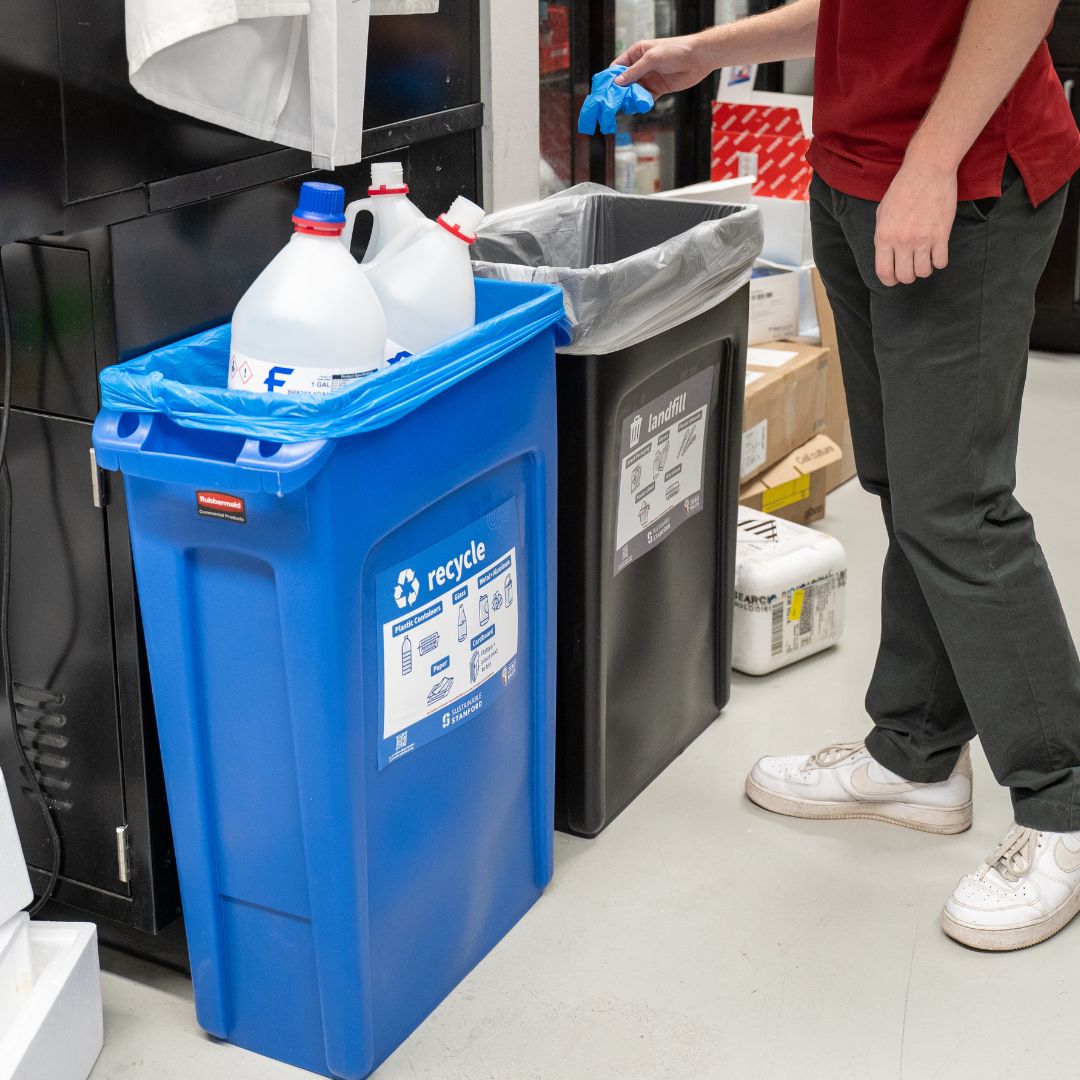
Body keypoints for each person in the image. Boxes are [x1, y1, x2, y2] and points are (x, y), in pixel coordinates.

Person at [615, 0, 1080, 952]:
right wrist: (707, 50)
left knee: (956, 505)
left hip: (958, 182)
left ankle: (1066, 805)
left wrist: (931, 163)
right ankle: (915, 755)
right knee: (907, 487)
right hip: (854, 175)